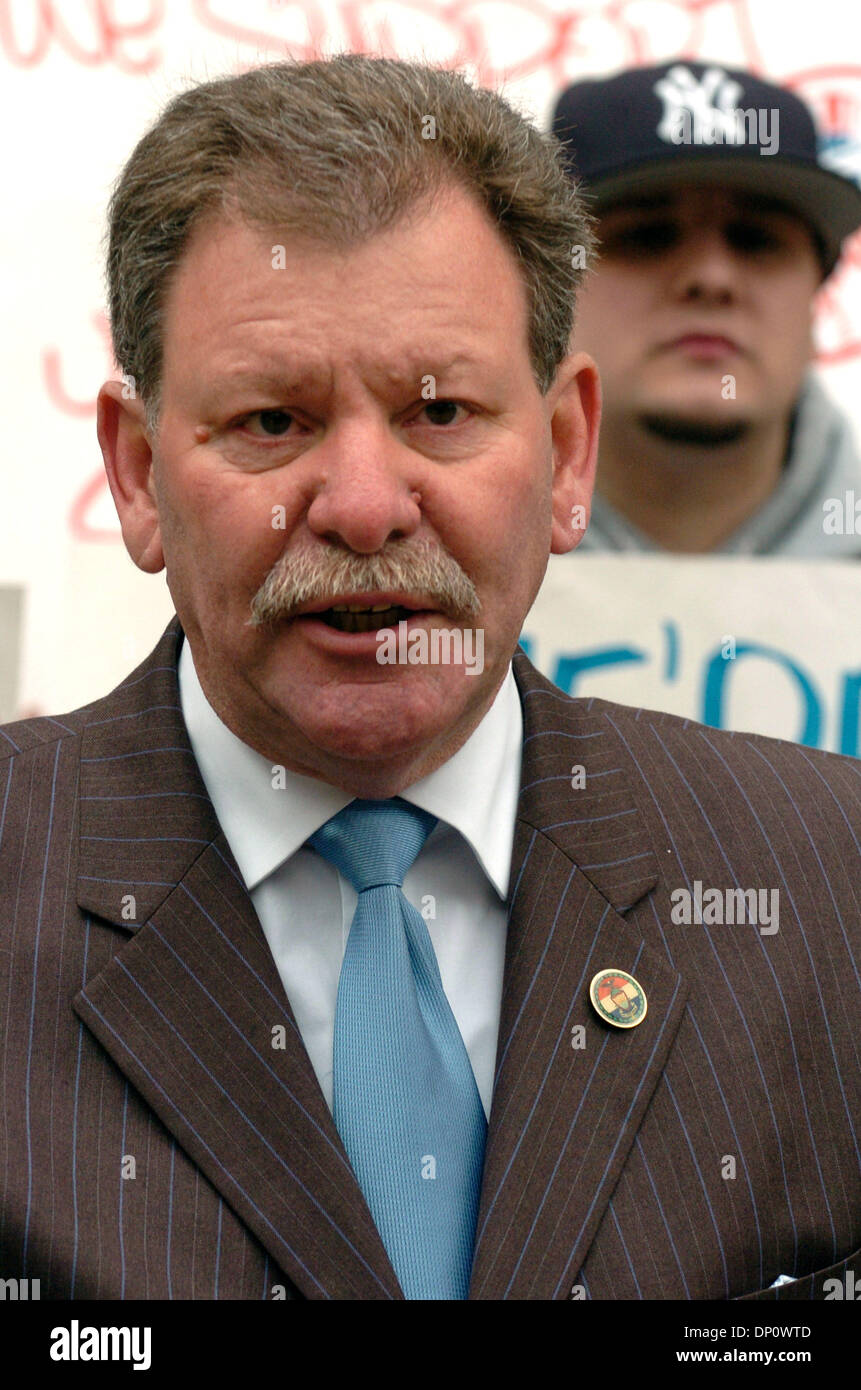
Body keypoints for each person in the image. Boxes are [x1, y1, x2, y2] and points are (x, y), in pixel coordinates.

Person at [1, 54, 858, 1302]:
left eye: (442, 411)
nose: (360, 506)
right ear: (136, 475)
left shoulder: (828, 886)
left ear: (568, 453)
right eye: (271, 421)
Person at [552, 61, 861, 554]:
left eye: (757, 240)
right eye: (647, 237)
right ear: (549, 285)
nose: (711, 278)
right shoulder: (418, 548)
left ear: (816, 297)